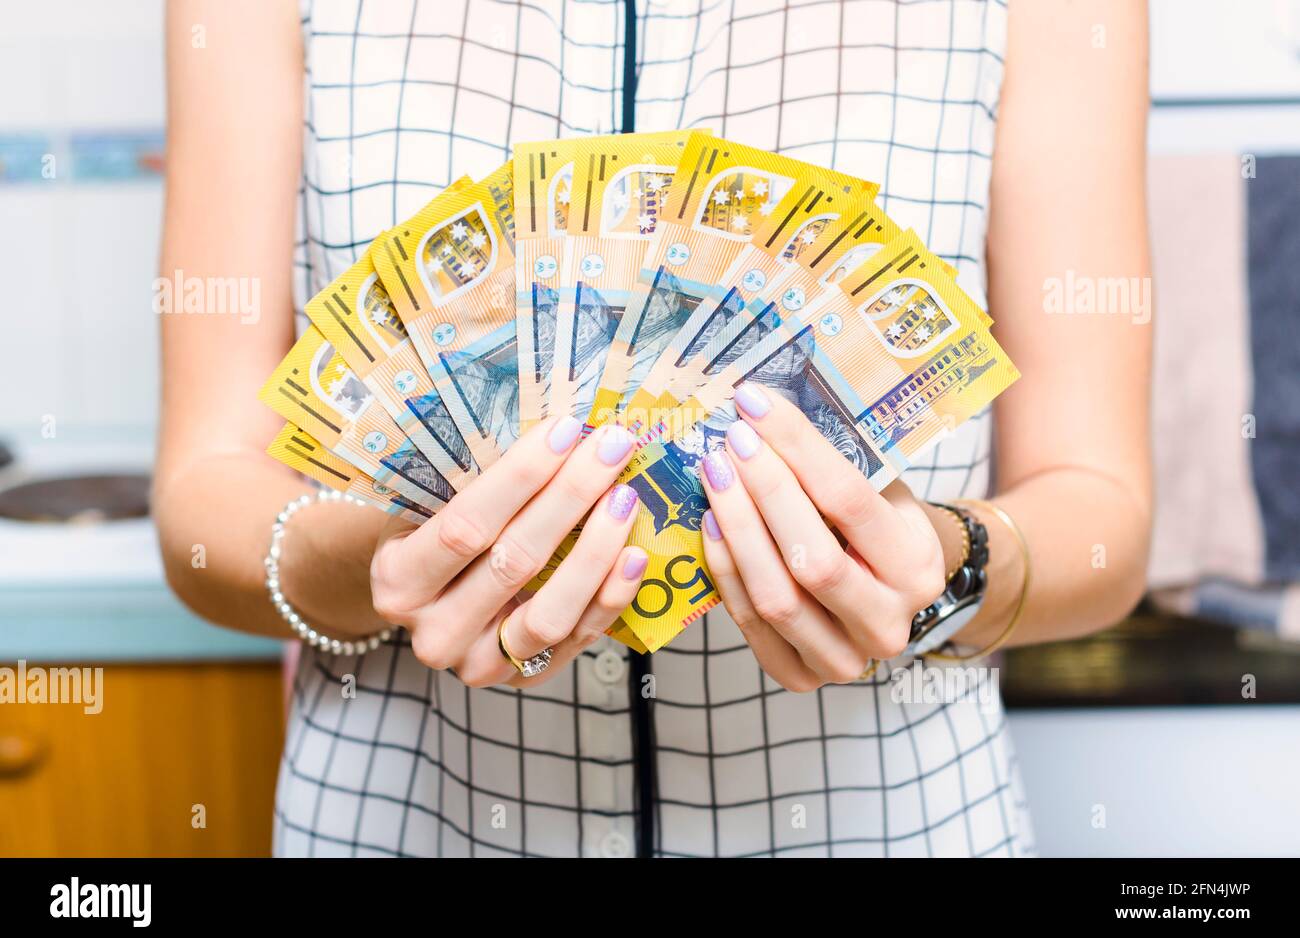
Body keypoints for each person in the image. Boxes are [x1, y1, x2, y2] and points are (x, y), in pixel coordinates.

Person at [155, 0, 1151, 857]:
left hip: (886, 821)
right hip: (409, 816)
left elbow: (1101, 514)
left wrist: (938, 568)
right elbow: (203, 502)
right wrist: (384, 564)